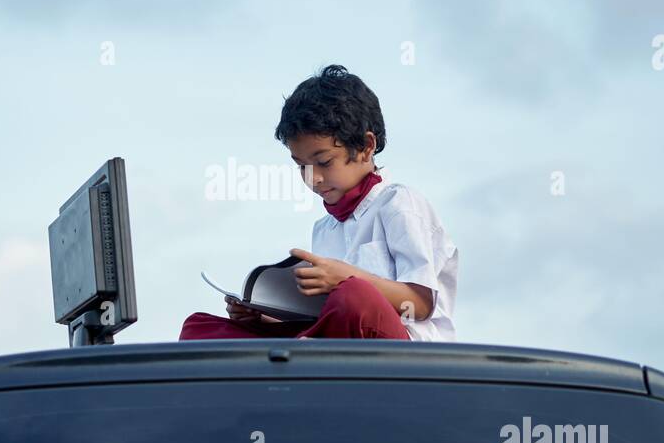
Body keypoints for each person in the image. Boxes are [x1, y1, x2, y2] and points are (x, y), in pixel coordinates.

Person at [178, 64, 459, 341]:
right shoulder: (324, 229)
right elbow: (323, 314)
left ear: (366, 146)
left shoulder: (399, 204)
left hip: (403, 351)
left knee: (353, 295)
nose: (313, 179)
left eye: (324, 162)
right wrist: (261, 315)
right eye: (302, 166)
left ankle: (306, 354)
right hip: (335, 336)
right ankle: (299, 354)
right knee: (199, 328)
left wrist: (347, 279)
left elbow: (420, 304)